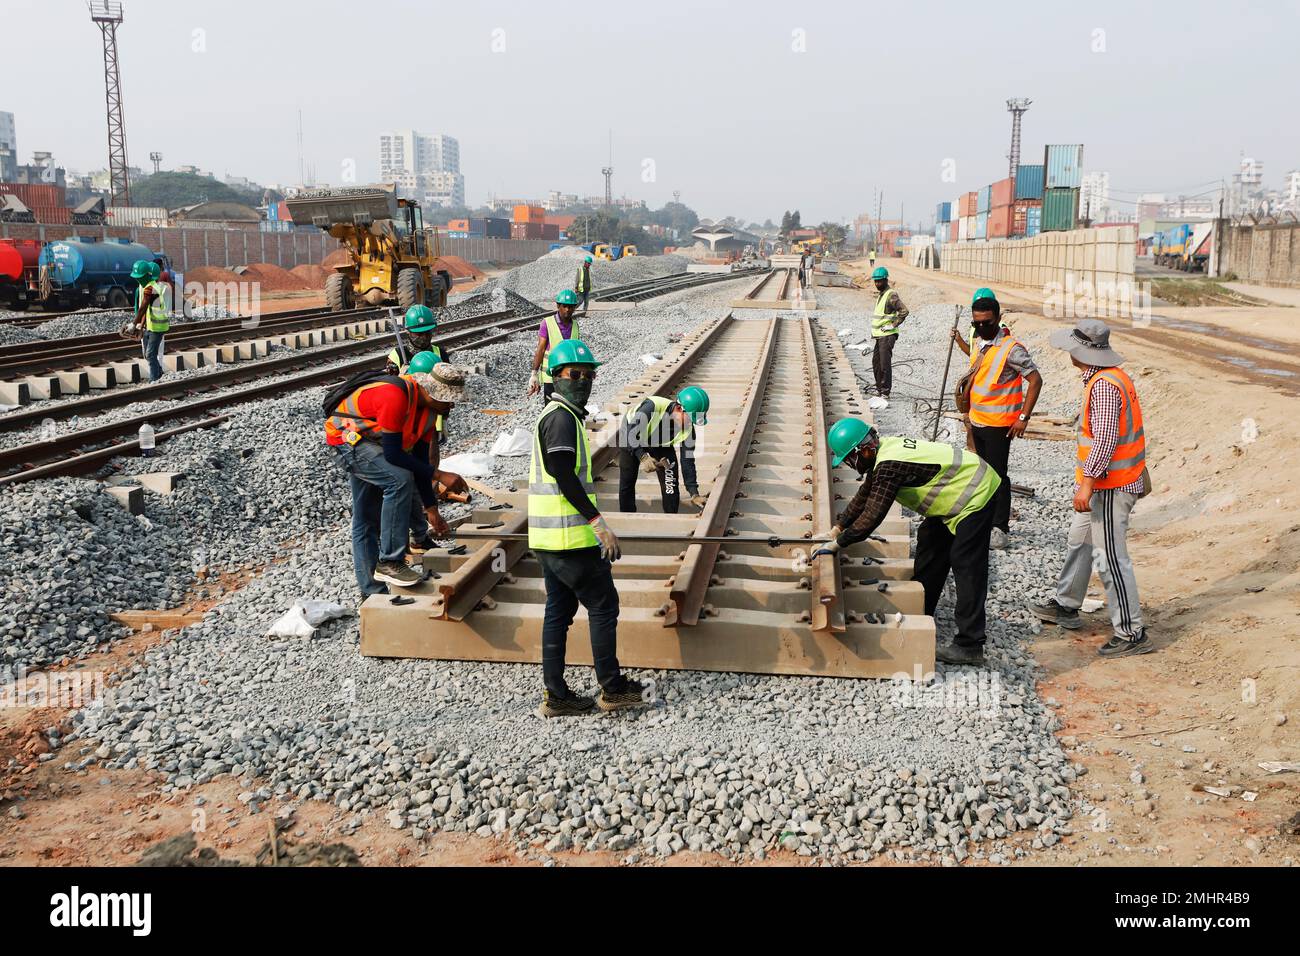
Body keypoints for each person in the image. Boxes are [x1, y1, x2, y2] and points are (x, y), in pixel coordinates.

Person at [815, 418, 1000, 666]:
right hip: (956, 496)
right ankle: (922, 611)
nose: (850, 464)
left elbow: (872, 516)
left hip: (977, 492)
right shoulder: (884, 454)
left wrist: (838, 544)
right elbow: (863, 496)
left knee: (966, 565)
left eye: (850, 458)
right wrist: (836, 528)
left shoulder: (889, 465)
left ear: (863, 450)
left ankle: (970, 644)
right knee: (930, 545)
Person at [529, 337, 645, 716]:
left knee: (558, 612)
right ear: (555, 377)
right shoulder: (561, 419)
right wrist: (598, 523)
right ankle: (612, 689)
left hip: (550, 539)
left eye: (588, 374)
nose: (582, 380)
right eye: (573, 374)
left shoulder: (560, 416)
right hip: (569, 538)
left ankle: (557, 696)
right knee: (602, 604)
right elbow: (563, 473)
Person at [1029, 319, 1152, 658]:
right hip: (1108, 481)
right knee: (1080, 540)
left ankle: (1131, 633)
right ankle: (1067, 604)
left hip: (1111, 484)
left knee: (1110, 557)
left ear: (1081, 352)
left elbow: (1106, 440)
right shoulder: (1107, 378)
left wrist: (1086, 485)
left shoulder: (1104, 386)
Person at [325, 368, 463, 596]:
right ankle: (390, 561)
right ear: (434, 394)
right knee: (398, 480)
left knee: (365, 518)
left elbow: (418, 461)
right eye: (448, 401)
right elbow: (394, 456)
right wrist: (440, 475)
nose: (451, 406)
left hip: (371, 442)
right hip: (345, 438)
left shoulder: (428, 413)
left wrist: (432, 510)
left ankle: (372, 593)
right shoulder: (395, 396)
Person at [950, 288, 1043, 550]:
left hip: (999, 425)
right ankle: (981, 518)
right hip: (977, 420)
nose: (981, 328)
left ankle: (1000, 527)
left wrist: (1023, 417)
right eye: (976, 323)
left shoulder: (1011, 349)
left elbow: (1035, 380)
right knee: (980, 473)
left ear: (998, 318)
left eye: (987, 323)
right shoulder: (982, 342)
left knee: (998, 476)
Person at [617, 386, 710, 513]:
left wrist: (694, 493)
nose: (689, 424)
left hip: (660, 444)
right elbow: (630, 434)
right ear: (679, 408)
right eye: (689, 419)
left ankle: (671, 517)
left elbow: (687, 461)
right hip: (632, 435)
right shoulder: (652, 407)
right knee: (627, 481)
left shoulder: (688, 430)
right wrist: (643, 456)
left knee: (670, 484)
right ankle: (626, 518)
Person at [528, 289, 581, 403]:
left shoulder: (576, 326)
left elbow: (576, 353)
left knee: (568, 408)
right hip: (550, 378)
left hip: (569, 377)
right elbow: (541, 349)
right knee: (552, 409)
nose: (567, 309)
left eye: (571, 307)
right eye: (564, 306)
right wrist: (534, 374)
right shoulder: (547, 323)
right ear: (558, 306)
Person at [868, 266, 908, 402]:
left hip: (888, 335)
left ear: (886, 280)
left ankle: (885, 392)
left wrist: (893, 324)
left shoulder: (891, 295)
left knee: (884, 364)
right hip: (880, 335)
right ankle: (880, 389)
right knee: (876, 363)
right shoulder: (881, 294)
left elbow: (904, 311)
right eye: (876, 281)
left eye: (879, 281)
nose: (877, 284)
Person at [130, 260, 169, 382]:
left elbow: (142, 307)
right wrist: (141, 326)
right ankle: (159, 374)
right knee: (148, 355)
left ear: (147, 275)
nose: (138, 280)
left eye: (140, 277)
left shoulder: (151, 288)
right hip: (150, 326)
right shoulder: (148, 286)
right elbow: (146, 310)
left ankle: (154, 380)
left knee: (150, 355)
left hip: (157, 327)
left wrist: (133, 324)